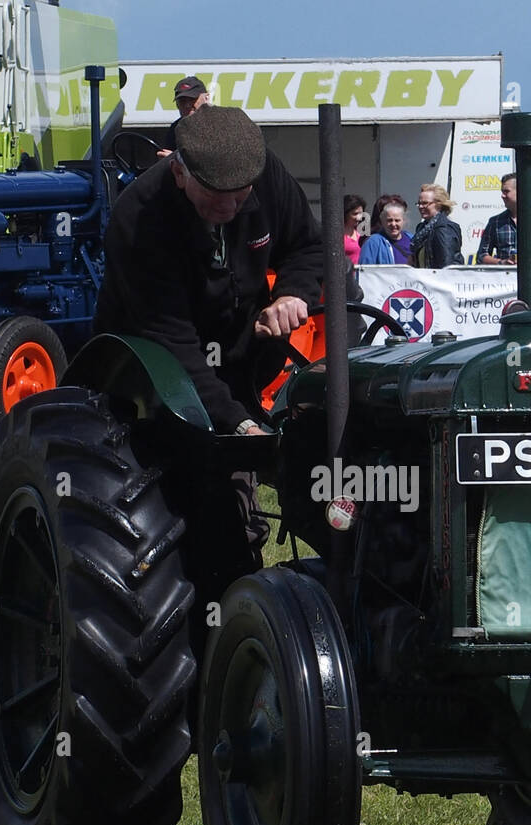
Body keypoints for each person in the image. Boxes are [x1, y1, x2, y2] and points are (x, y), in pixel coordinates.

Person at [94, 105, 321, 630]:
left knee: (231, 504)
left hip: (234, 349)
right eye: (216, 197)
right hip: (147, 368)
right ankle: (206, 616)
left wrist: (290, 294)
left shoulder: (265, 179)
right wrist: (233, 419)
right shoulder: (139, 218)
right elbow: (171, 343)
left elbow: (308, 245)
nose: (230, 207)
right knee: (197, 483)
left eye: (240, 198)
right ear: (179, 172)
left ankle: (248, 600)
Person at [476, 173, 531, 265]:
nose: (502, 196)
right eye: (502, 192)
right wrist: (502, 262)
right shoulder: (495, 222)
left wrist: (530, 261)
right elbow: (481, 256)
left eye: (506, 191)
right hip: (504, 278)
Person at [410, 183, 463, 268]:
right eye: (419, 203)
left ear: (439, 204)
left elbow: (447, 265)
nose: (420, 206)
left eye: (425, 203)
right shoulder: (421, 228)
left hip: (438, 280)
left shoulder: (444, 229)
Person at [156, 75, 211, 156]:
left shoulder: (220, 124)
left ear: (206, 98)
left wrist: (177, 159)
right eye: (182, 101)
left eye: (193, 99)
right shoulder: (175, 129)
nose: (187, 105)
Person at [358, 197, 412, 264]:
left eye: (397, 220)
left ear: (404, 221)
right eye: (389, 220)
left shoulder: (412, 239)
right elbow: (365, 270)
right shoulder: (373, 242)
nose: (393, 224)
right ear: (382, 221)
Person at [343, 193, 366, 266]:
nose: (359, 218)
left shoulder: (361, 233)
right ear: (345, 214)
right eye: (355, 214)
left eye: (361, 213)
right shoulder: (337, 236)